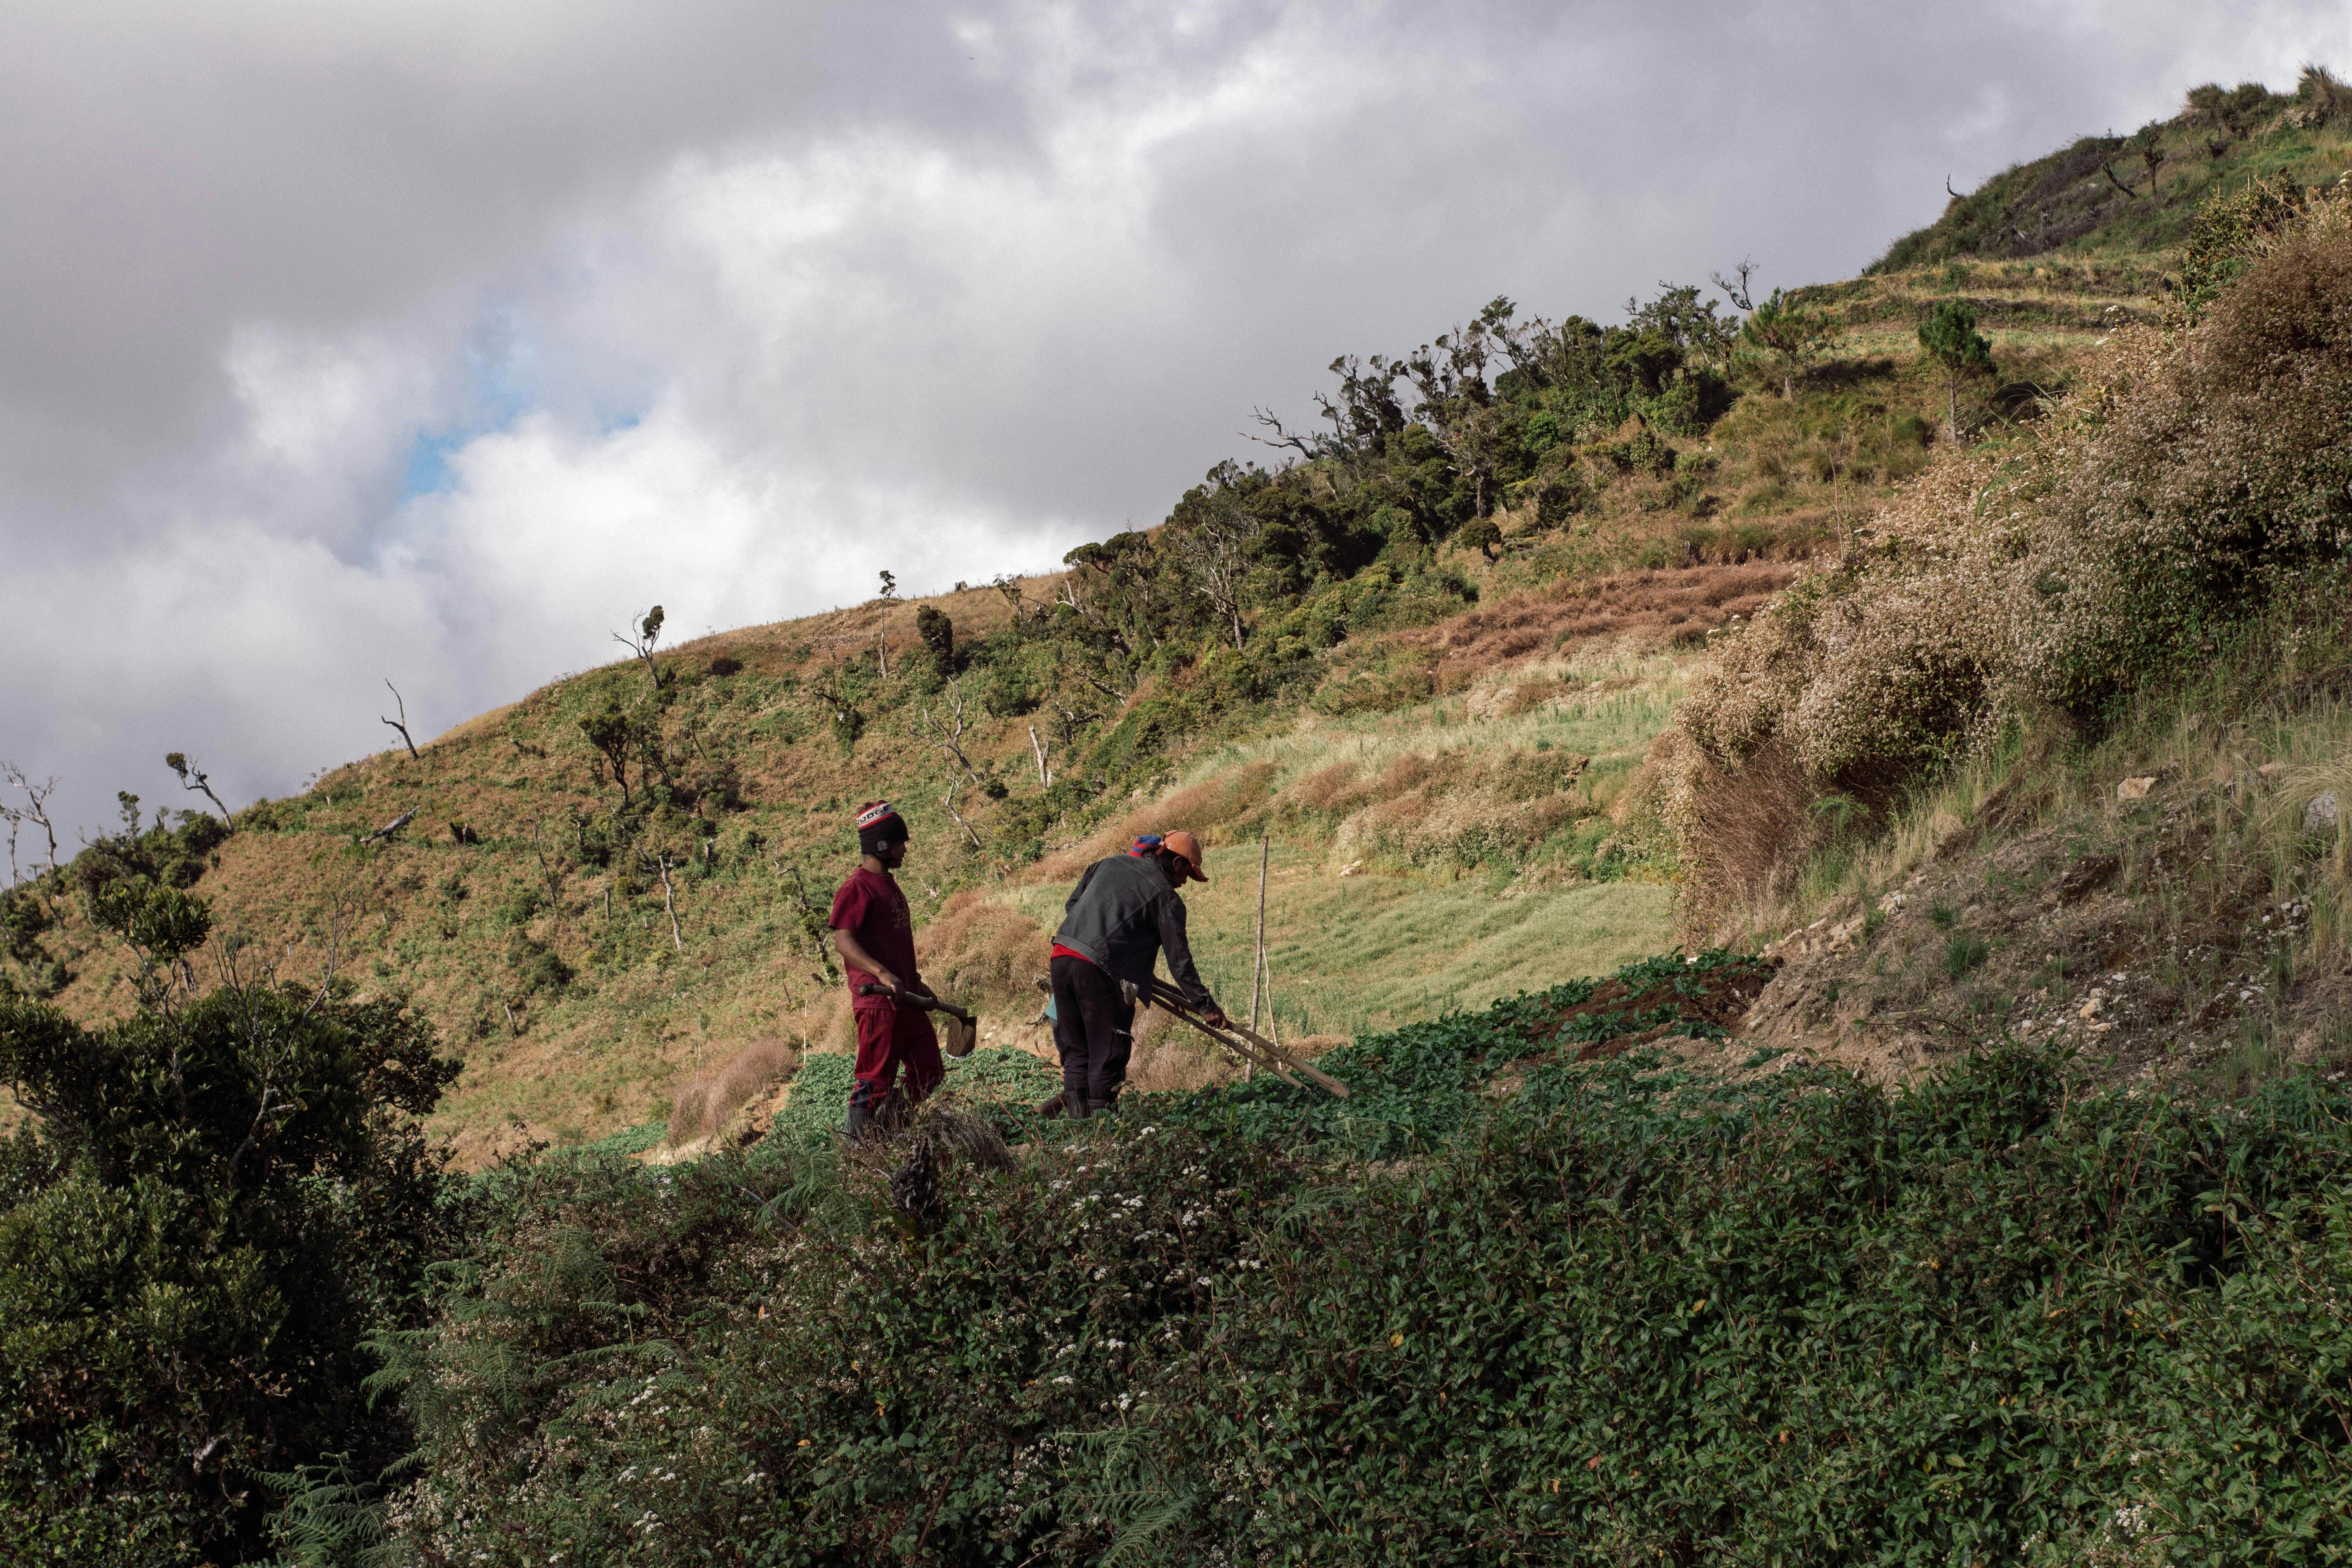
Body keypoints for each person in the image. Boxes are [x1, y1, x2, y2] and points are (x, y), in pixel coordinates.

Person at [1045, 829, 1226, 1119]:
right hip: (1098, 972)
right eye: (1186, 876)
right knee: (1107, 1054)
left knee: (1078, 1053)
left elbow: (1073, 907)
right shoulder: (1166, 899)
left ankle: (1078, 1133)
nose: (1183, 884)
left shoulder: (1108, 864)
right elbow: (1180, 962)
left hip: (1062, 957)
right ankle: (1101, 1135)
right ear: (1176, 863)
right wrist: (1205, 1005)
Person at [828, 801, 942, 1137]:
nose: (905, 850)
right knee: (874, 1080)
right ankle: (858, 1153)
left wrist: (916, 983)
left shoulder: (889, 885)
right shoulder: (857, 888)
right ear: (882, 845)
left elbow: (894, 946)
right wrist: (881, 973)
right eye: (900, 843)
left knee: (930, 1071)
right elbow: (843, 941)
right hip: (878, 1002)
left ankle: (888, 1130)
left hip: (906, 999)